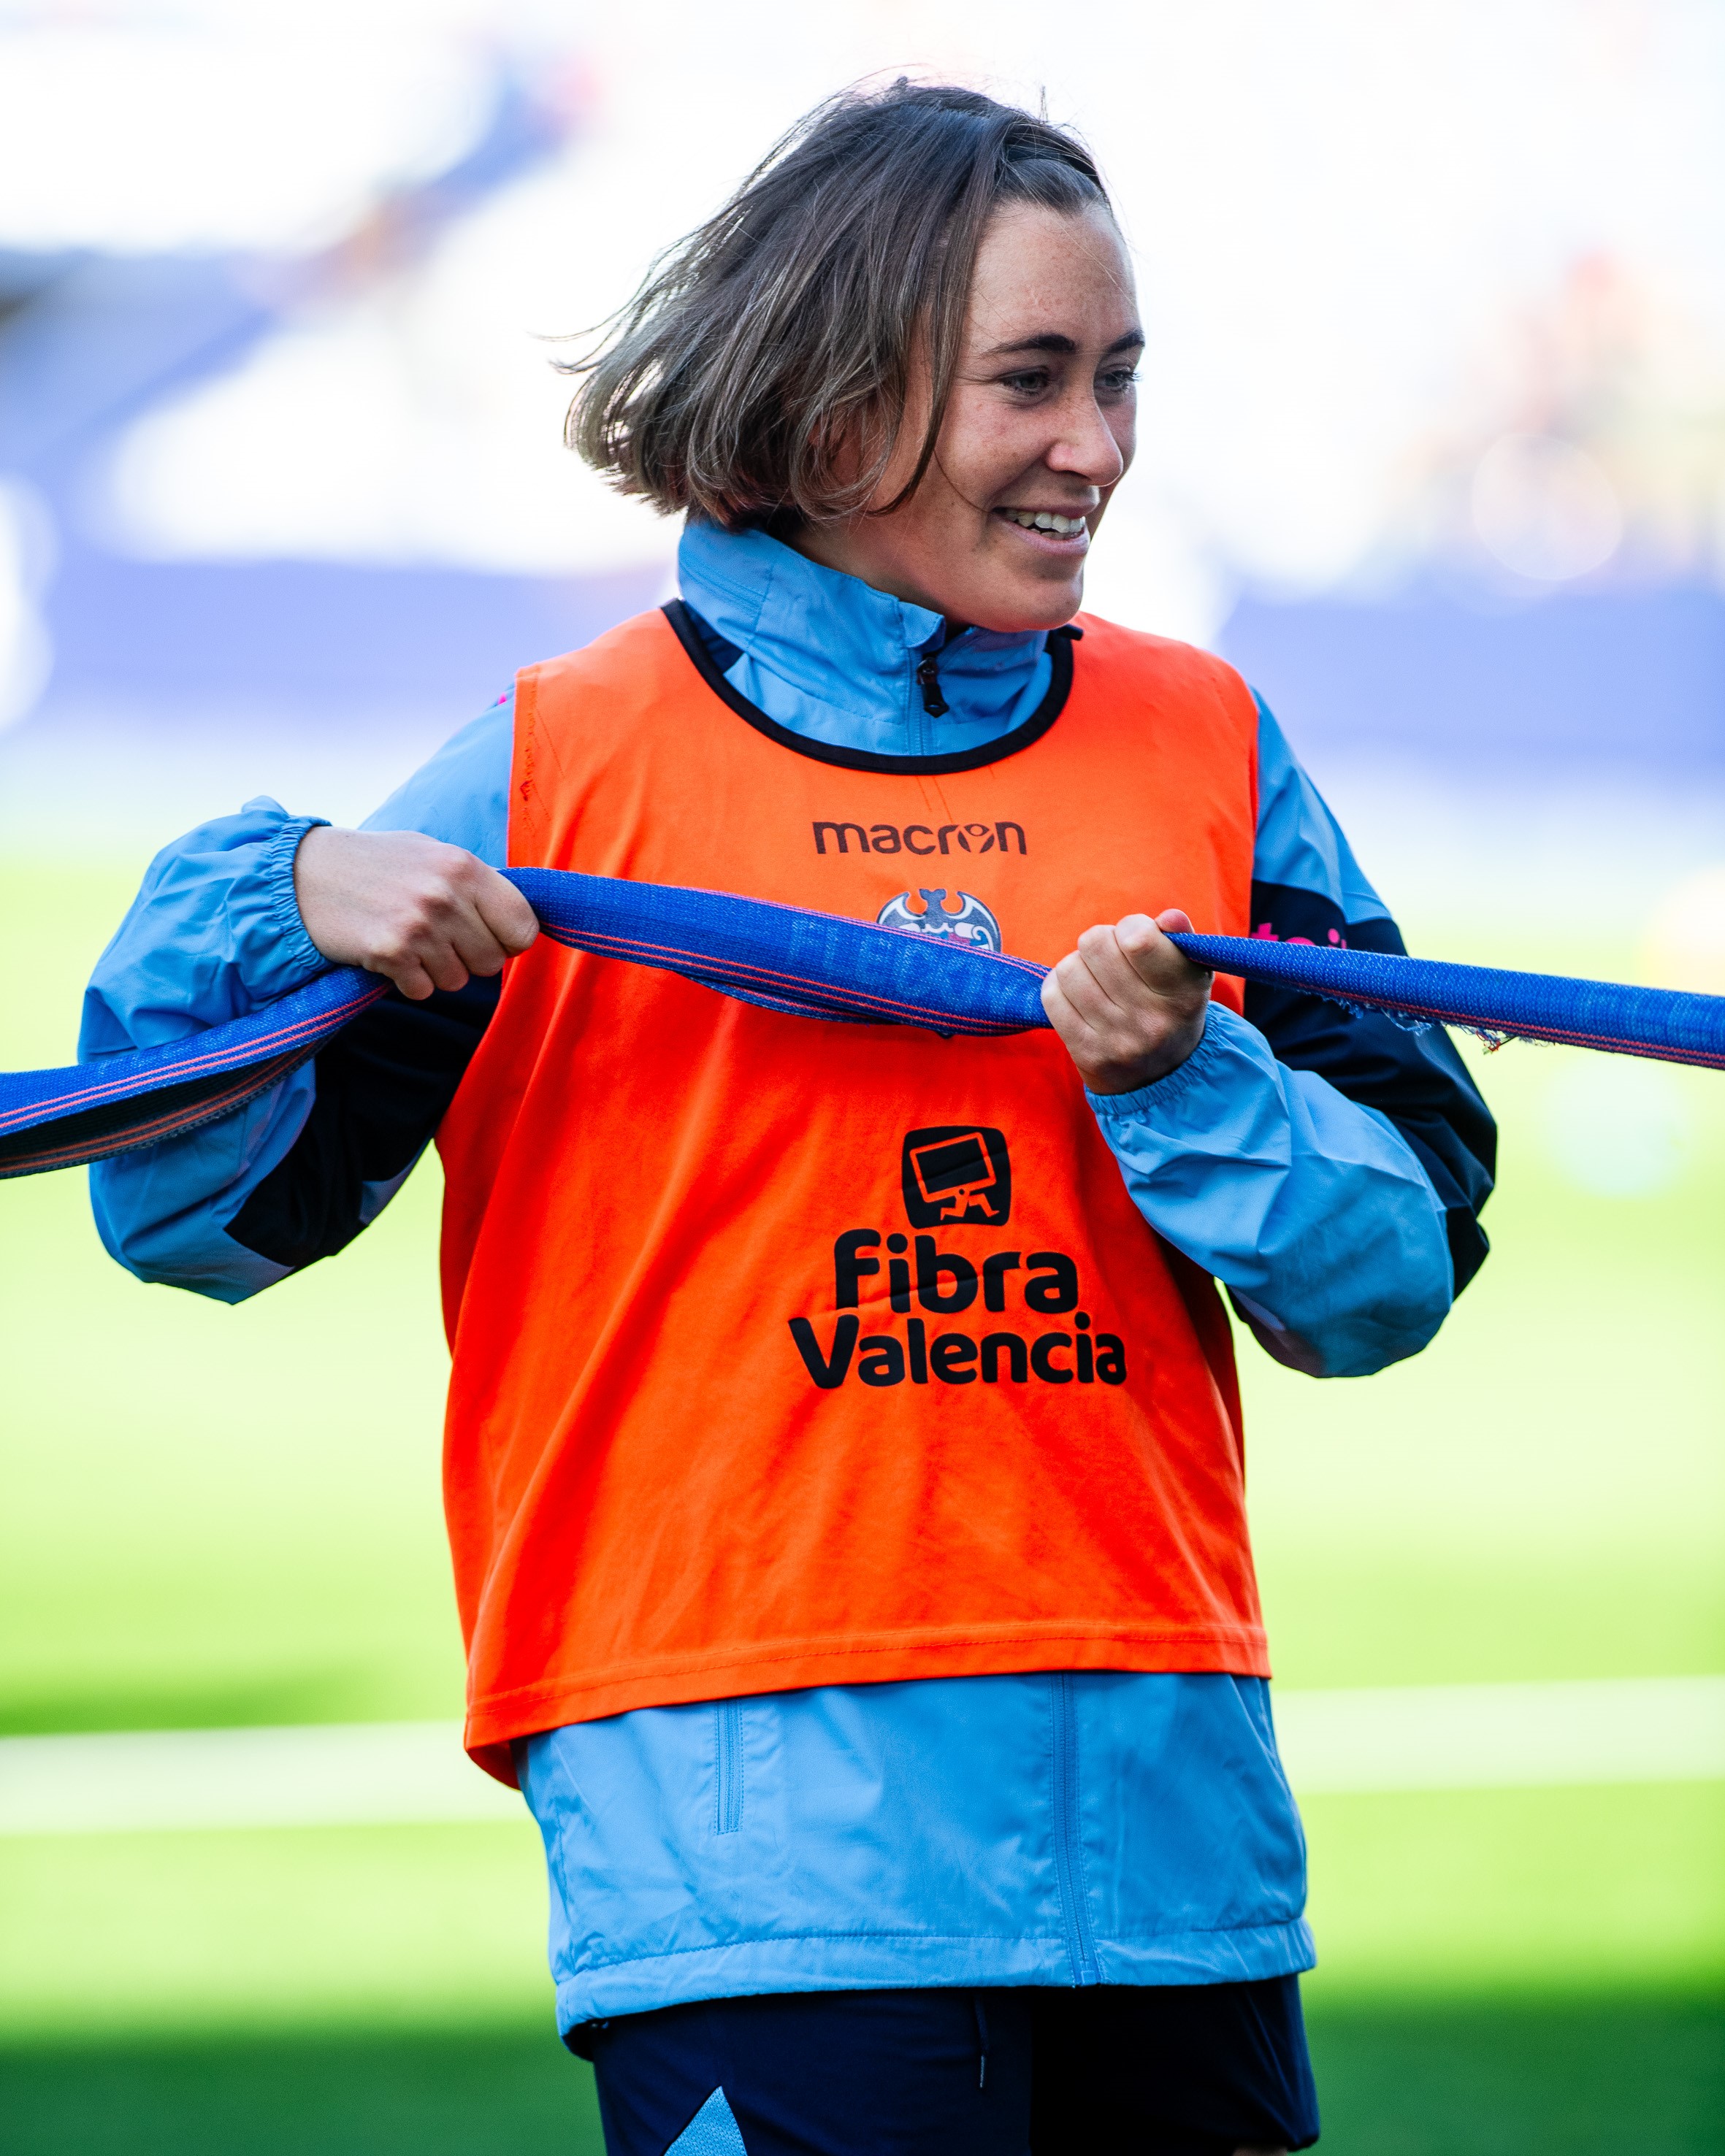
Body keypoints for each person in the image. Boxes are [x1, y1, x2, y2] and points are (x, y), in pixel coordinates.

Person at [83, 83, 1495, 2156]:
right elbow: (197, 1210)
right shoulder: (557, 762)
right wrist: (267, 901)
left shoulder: (1210, 741)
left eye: (1117, 379)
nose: (1094, 447)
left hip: (1170, 1823)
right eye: (1030, 380)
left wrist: (1175, 1080)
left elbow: (1392, 1273)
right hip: (751, 1840)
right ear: (836, 413)